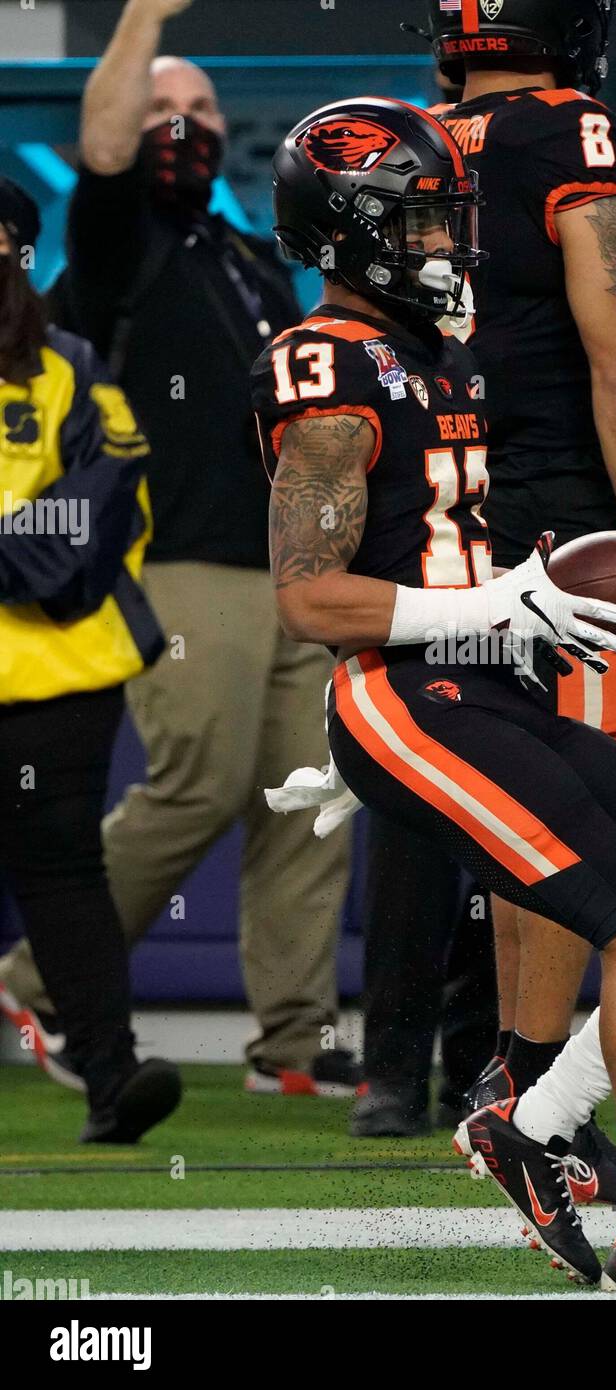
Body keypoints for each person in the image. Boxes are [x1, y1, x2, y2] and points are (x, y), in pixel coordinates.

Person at [251, 95, 616, 1293]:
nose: (453, 243)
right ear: (356, 232)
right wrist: (486, 618)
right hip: (412, 696)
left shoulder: (442, 361)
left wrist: (588, 589)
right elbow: (308, 596)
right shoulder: (323, 363)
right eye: (429, 220)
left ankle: (529, 1122)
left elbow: (445, 553)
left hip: (485, 688)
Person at [0, 0, 354, 1097]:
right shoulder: (114, 243)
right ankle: (42, 981)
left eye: (202, 108)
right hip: (176, 559)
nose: (184, 124)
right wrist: (142, 23)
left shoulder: (247, 255)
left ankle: (291, 1042)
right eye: (164, 107)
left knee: (311, 795)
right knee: (198, 782)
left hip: (288, 563)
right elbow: (105, 149)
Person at [0, 176, 181, 1143]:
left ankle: (112, 1079)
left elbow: (95, 528)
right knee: (65, 874)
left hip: (59, 674)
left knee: (63, 873)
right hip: (53, 655)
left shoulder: (70, 371)